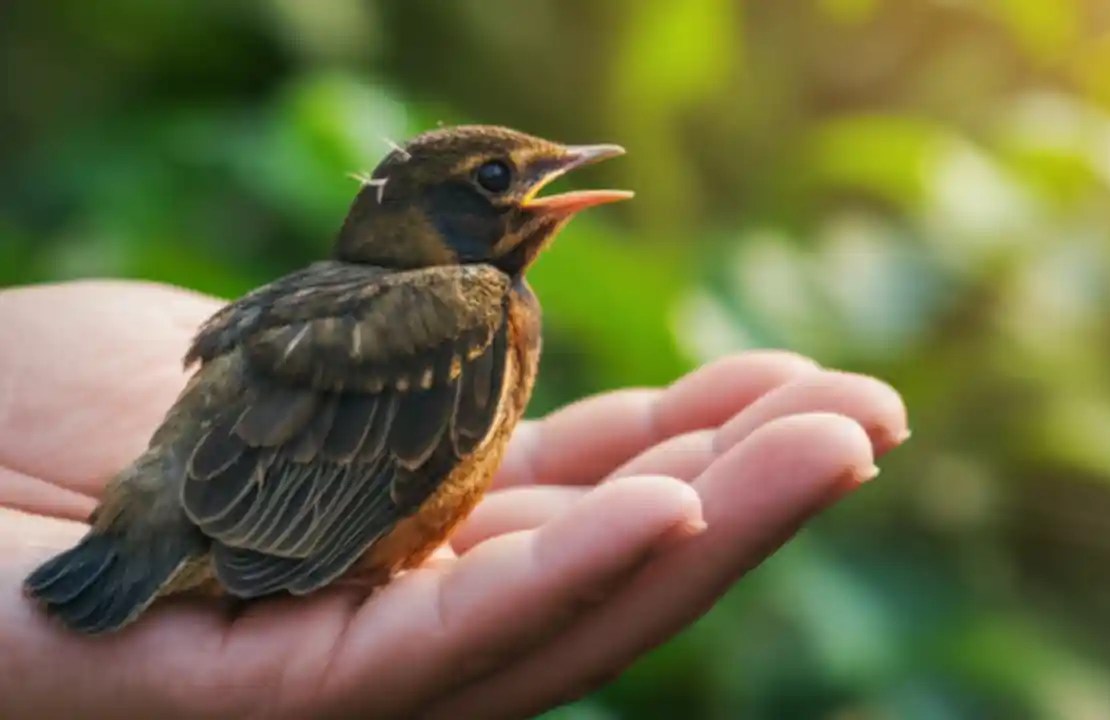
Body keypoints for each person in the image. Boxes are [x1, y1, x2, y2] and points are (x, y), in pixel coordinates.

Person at [0, 280, 909, 719]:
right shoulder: (471, 310)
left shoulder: (404, 302)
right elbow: (382, 461)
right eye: (492, 182)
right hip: (218, 521)